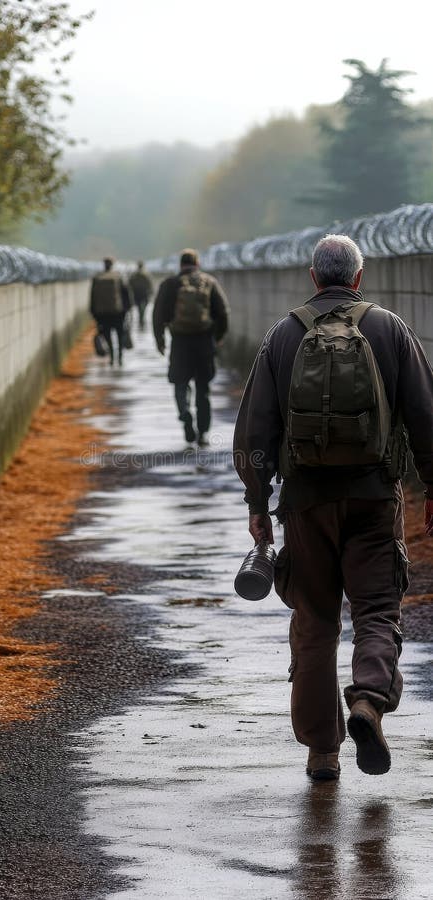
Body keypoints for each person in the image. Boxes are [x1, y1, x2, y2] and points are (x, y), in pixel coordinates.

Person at [233, 234, 433, 781]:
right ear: (360, 277)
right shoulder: (390, 329)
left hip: (305, 505)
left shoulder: (282, 335)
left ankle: (323, 750)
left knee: (316, 621)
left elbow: (255, 429)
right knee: (375, 610)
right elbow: (425, 416)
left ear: (313, 277)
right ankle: (368, 700)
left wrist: (257, 500)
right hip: (373, 499)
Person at [153, 248, 229, 446]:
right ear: (198, 264)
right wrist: (218, 337)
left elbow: (158, 314)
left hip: (180, 342)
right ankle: (203, 433)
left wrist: (160, 340)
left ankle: (185, 415)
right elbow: (223, 313)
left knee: (180, 383)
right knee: (203, 389)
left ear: (180, 265)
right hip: (204, 343)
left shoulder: (169, 284)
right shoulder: (209, 282)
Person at [90, 257, 131, 366]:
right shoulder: (119, 277)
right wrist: (128, 309)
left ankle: (112, 356)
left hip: (103, 314)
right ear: (112, 265)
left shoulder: (97, 278)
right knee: (119, 335)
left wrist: (94, 314)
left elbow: (93, 297)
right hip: (118, 312)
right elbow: (126, 294)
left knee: (107, 336)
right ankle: (120, 357)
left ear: (104, 265)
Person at [128, 260, 154, 329]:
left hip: (137, 294)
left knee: (140, 309)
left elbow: (130, 284)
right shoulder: (146, 274)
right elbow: (150, 285)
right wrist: (151, 293)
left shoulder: (134, 275)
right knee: (142, 309)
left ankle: (141, 320)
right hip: (144, 294)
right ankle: (142, 320)